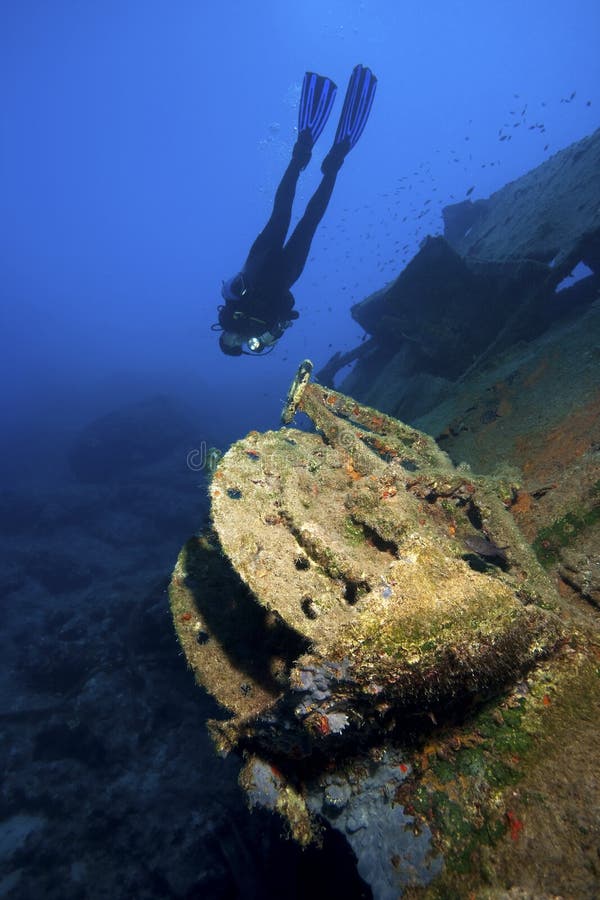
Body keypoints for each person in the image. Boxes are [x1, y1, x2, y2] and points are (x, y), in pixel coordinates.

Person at [214, 65, 377, 356]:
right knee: (309, 222)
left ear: (223, 336)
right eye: (237, 347)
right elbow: (289, 304)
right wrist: (273, 330)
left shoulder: (227, 315)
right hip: (286, 273)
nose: (236, 342)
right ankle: (333, 165)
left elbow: (231, 287)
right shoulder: (260, 333)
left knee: (282, 214)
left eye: (229, 342)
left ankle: (300, 154)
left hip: (260, 263)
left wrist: (240, 302)